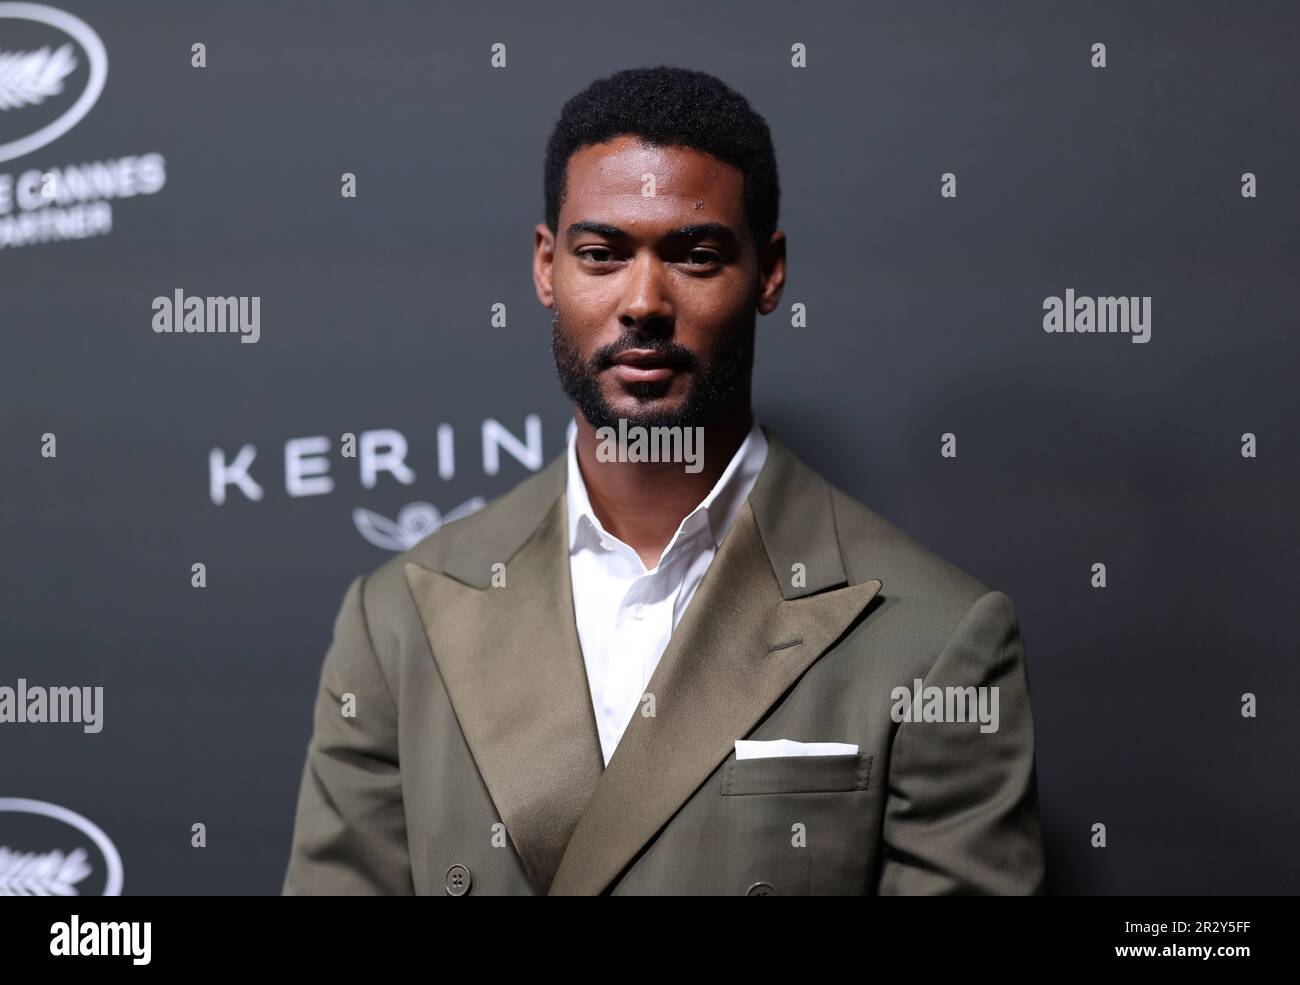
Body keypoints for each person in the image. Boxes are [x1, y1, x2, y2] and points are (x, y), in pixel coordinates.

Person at [282, 65, 1046, 895]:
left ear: (770, 271)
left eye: (696, 254)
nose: (644, 300)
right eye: (602, 253)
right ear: (547, 267)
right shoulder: (397, 619)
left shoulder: (936, 635)